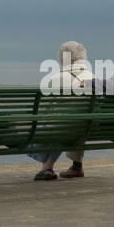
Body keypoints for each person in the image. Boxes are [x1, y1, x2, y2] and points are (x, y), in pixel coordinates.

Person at [32, 41, 92, 180]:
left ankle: (47, 167)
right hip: (86, 128)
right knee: (72, 122)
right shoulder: (93, 78)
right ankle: (67, 166)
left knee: (54, 125)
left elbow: (44, 111)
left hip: (63, 129)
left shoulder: (56, 78)